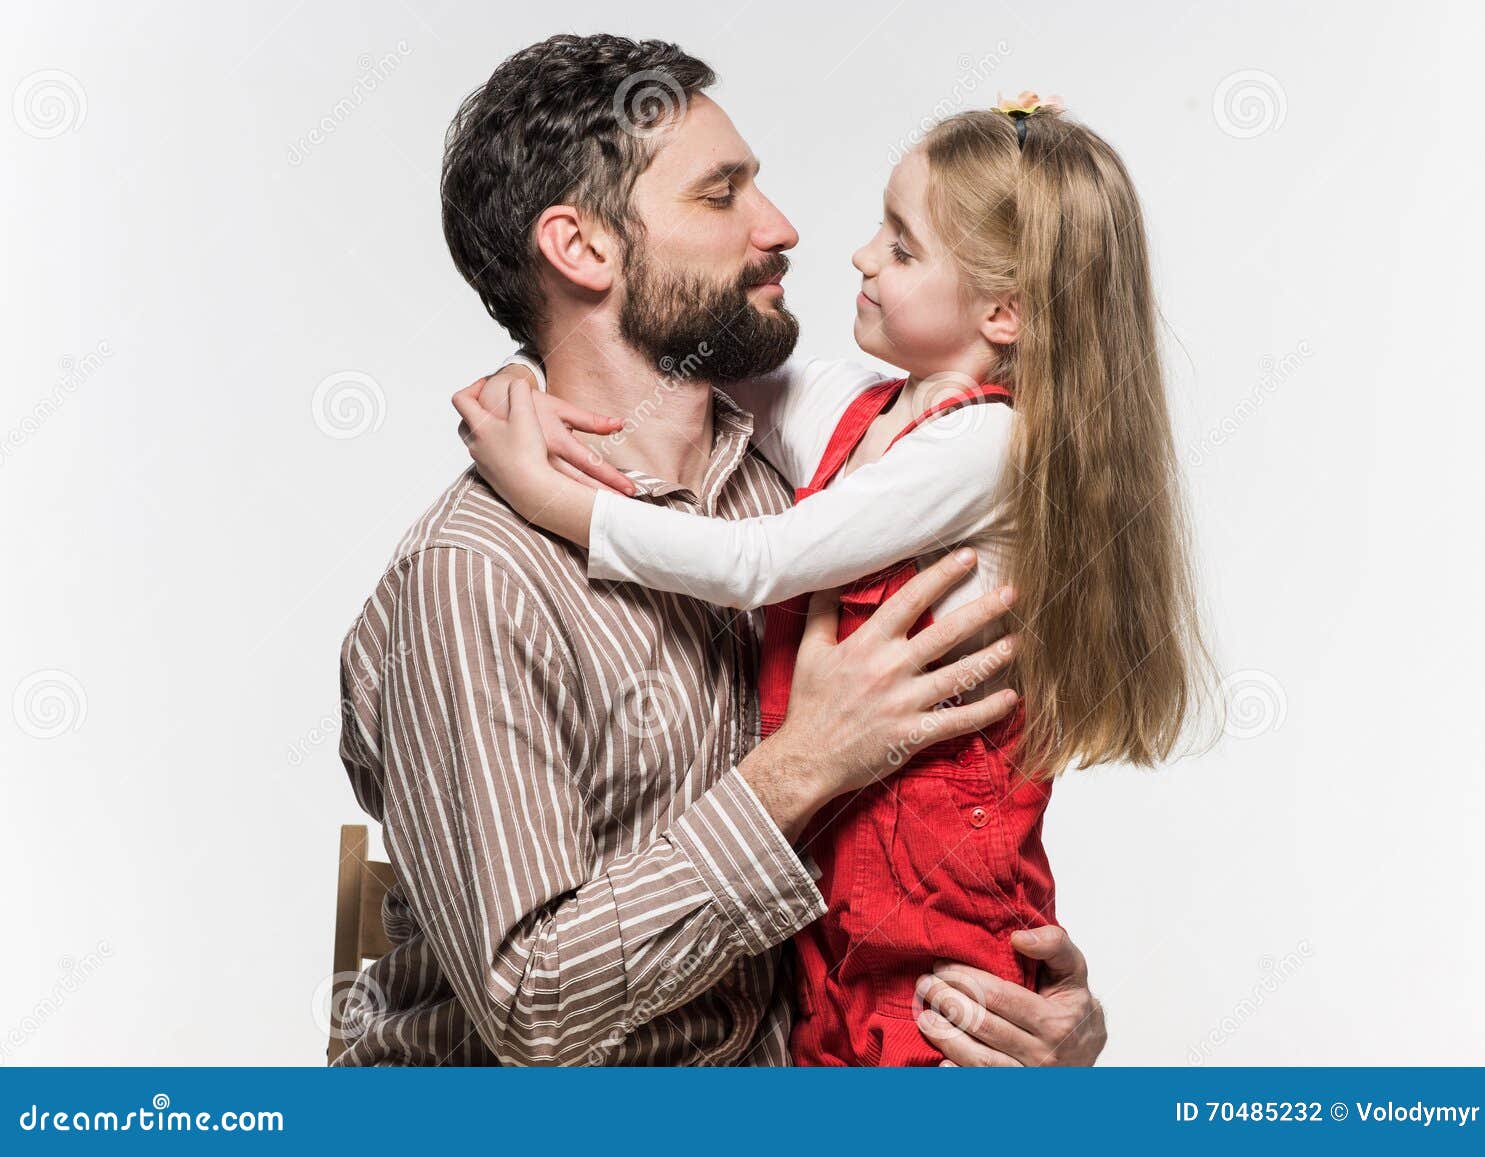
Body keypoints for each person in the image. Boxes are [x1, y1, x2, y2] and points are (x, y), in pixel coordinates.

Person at [334, 34, 1107, 1067]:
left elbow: (911, 851)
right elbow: (531, 1012)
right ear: (582, 249)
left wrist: (1034, 1019)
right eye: (719, 195)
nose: (782, 228)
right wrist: (799, 768)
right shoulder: (478, 571)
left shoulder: (809, 492)